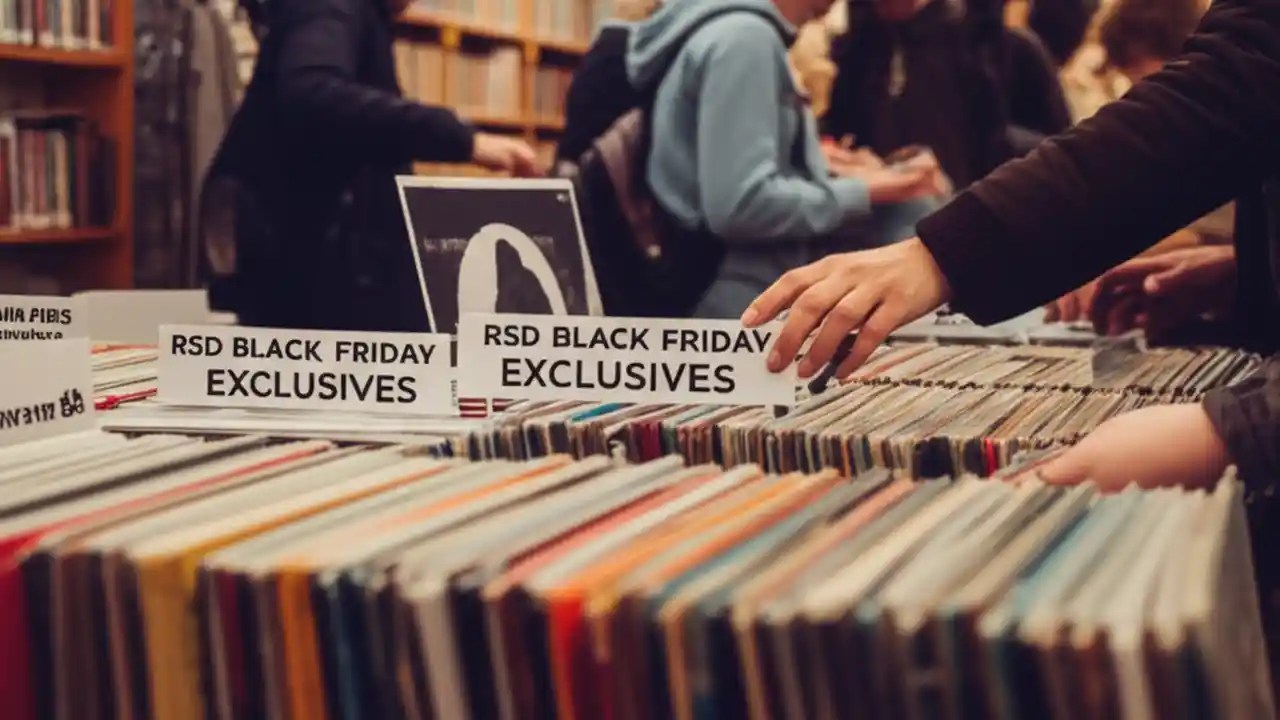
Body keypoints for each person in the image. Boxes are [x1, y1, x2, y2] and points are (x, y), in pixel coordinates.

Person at [741, 0, 1280, 495]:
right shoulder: (855, 46)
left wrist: (1243, 429)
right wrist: (1242, 270)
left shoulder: (999, 44)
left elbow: (1227, 94)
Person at [201, 0, 540, 332]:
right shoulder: (331, 7)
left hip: (316, 270)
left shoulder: (352, 14)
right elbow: (312, 92)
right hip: (310, 275)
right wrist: (462, 139)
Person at [625, 0, 943, 319]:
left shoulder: (734, 33)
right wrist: (866, 191)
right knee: (912, 213)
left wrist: (832, 169)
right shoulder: (746, 41)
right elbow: (740, 205)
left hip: (741, 289)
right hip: (739, 299)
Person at [1045, 0, 1235, 332]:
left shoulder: (1231, 116)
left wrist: (1096, 259)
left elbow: (1211, 233)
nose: (1143, 96)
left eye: (1149, 79)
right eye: (1131, 83)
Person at [823, 0, 1071, 190]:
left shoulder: (1000, 49)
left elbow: (1062, 163)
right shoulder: (858, 53)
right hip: (889, 228)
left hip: (982, 225)